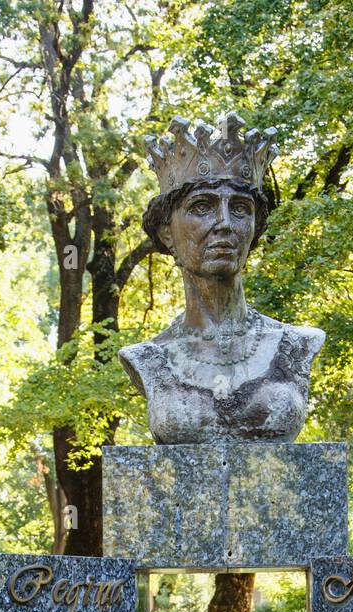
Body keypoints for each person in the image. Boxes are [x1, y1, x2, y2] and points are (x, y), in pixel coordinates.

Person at [119, 112, 325, 444]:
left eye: (241, 209)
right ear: (166, 232)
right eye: (202, 207)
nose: (225, 223)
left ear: (255, 227)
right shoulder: (148, 357)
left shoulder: (296, 344)